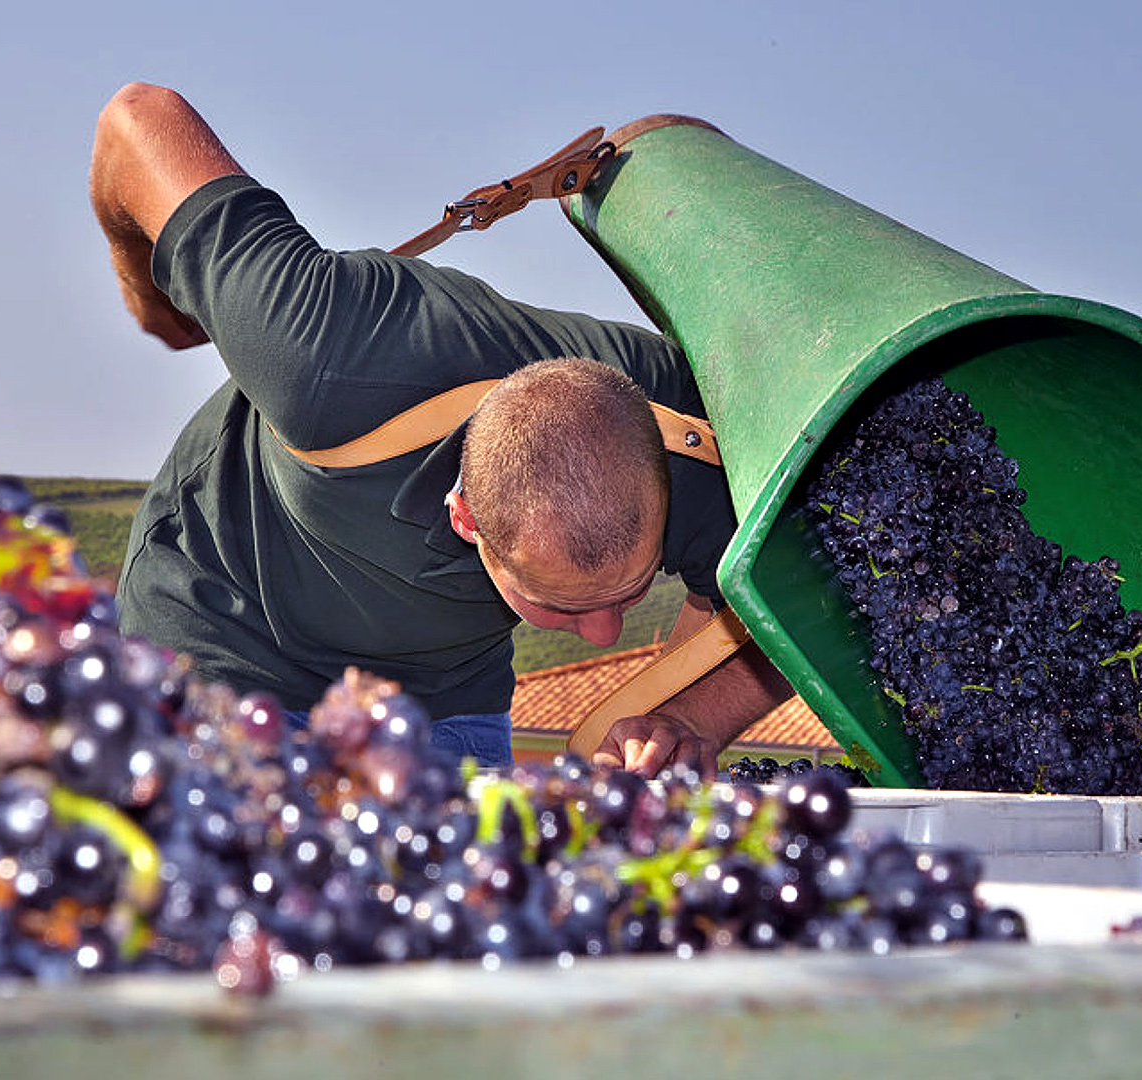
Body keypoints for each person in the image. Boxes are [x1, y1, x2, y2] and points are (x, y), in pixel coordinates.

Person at [89, 82, 792, 776]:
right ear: (465, 517)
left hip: (438, 699)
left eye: (630, 593)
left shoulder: (677, 448)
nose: (605, 635)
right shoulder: (319, 354)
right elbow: (138, 118)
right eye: (557, 604)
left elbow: (804, 606)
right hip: (217, 639)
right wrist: (159, 302)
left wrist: (686, 716)